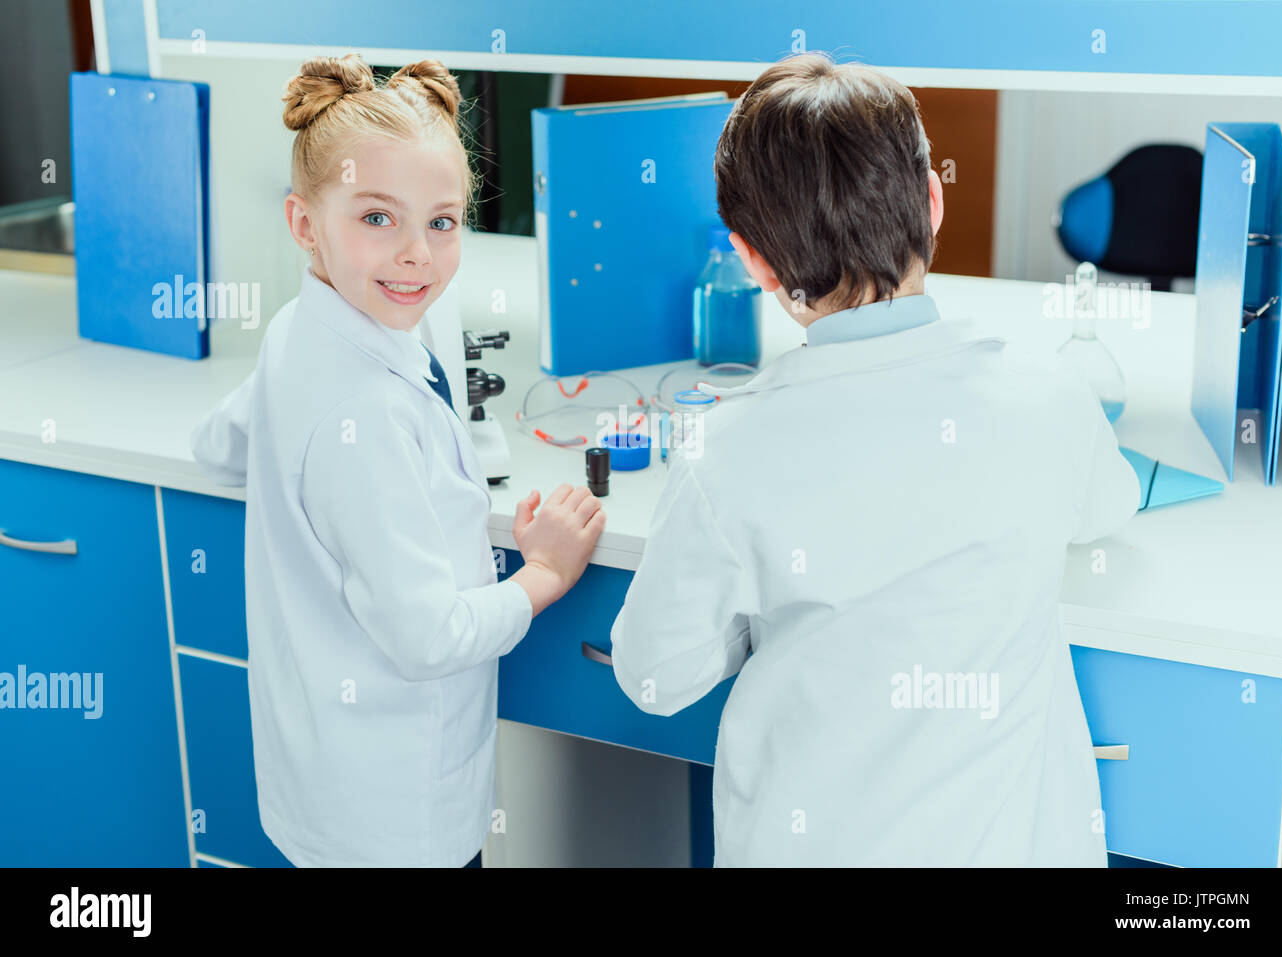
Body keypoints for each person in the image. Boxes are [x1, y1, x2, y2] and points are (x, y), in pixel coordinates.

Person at [610, 53, 1139, 866]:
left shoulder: (727, 454)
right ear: (933, 202)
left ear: (750, 257)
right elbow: (1109, 508)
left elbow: (654, 678)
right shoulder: (1047, 391)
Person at [191, 53, 604, 867]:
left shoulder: (295, 334)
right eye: (377, 218)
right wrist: (544, 575)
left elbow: (215, 448)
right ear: (304, 223)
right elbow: (428, 638)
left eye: (442, 221)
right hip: (395, 822)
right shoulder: (365, 412)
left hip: (325, 787)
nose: (417, 253)